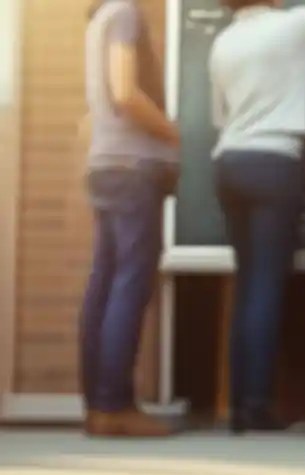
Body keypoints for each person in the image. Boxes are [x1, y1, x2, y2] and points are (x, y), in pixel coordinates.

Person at [210, 0, 305, 435]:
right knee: (265, 286)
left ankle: (238, 405)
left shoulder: (223, 41)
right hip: (275, 161)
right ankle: (257, 405)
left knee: (246, 283)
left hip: (229, 161)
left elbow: (218, 116)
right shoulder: (292, 25)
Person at [80, 0, 180, 437]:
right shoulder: (123, 12)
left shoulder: (100, 17)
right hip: (132, 167)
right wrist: (174, 131)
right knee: (128, 285)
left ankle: (100, 406)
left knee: (104, 284)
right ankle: (115, 404)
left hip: (106, 164)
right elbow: (125, 92)